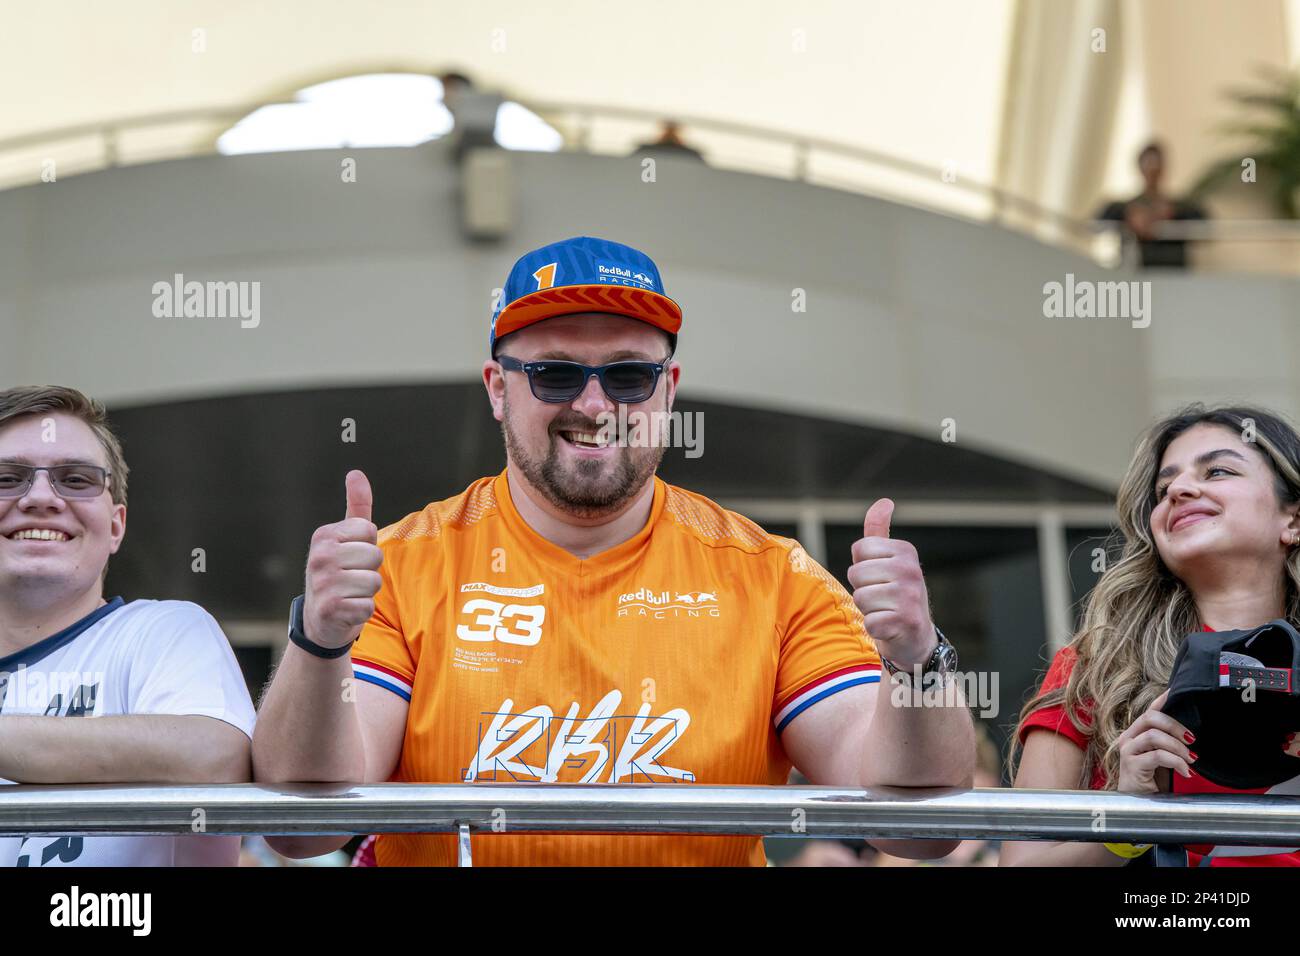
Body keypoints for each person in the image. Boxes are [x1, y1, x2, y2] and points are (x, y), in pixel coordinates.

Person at [253, 235, 974, 866]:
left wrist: (916, 659)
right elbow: (304, 827)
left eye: (629, 374)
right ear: (497, 388)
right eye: (555, 373)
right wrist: (318, 642)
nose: (596, 406)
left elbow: (916, 830)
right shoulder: (405, 565)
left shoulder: (773, 579)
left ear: (669, 392)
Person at [1004, 404, 1300, 866]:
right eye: (1164, 489)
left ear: (1293, 520)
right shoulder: (1097, 665)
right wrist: (1130, 818)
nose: (1180, 490)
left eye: (1218, 471)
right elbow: (1018, 865)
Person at [0, 386, 255, 867]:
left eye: (75, 479)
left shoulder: (165, 631)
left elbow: (215, 758)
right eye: (6, 478)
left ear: (116, 526)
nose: (39, 498)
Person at [1096, 141, 1207, 269]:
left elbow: (1205, 229)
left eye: (1156, 163)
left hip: (1173, 275)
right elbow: (1097, 225)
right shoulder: (1122, 208)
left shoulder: (1182, 207)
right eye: (1148, 163)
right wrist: (1129, 217)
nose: (1152, 169)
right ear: (1140, 168)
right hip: (1135, 275)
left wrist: (1171, 213)